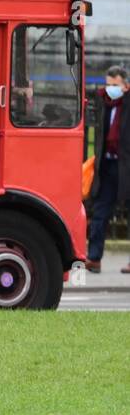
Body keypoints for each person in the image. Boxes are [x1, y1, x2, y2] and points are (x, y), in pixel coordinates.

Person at [86, 65, 129, 273]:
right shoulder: (105, 103)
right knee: (100, 212)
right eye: (108, 84)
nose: (110, 88)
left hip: (126, 167)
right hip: (108, 165)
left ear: (125, 86)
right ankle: (94, 258)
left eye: (115, 85)